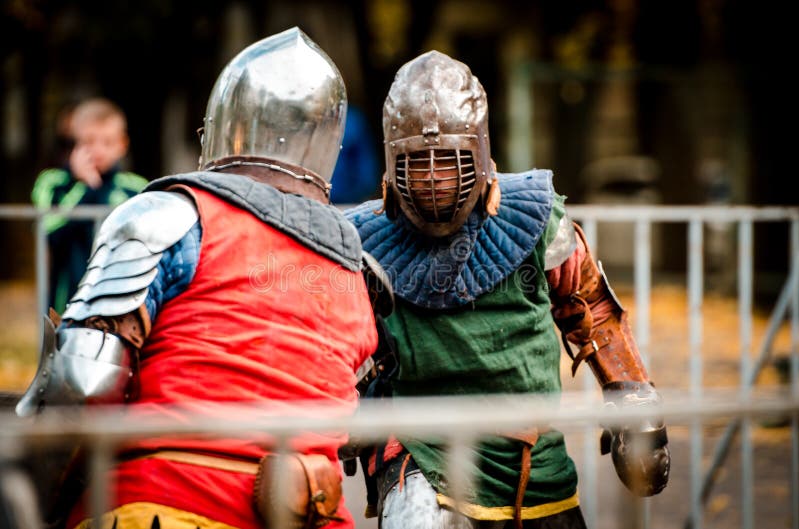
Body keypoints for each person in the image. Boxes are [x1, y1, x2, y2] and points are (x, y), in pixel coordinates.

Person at [17, 27, 381, 529]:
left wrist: (36, 501)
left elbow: (82, 381)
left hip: (163, 505)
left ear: (224, 123)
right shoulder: (352, 262)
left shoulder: (167, 215)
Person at [345, 51, 670, 529]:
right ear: (395, 163)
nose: (434, 179)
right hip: (420, 450)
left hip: (531, 456)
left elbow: (593, 309)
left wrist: (633, 401)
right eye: (419, 164)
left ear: (477, 151)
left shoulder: (538, 222)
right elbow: (333, 338)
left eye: (448, 162)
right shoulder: (364, 242)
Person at [31, 98, 147, 313]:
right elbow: (50, 233)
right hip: (65, 300)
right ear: (75, 143)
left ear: (123, 145)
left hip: (118, 299)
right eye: (89, 141)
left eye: (107, 142)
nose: (98, 150)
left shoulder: (137, 188)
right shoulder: (53, 182)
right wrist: (89, 187)